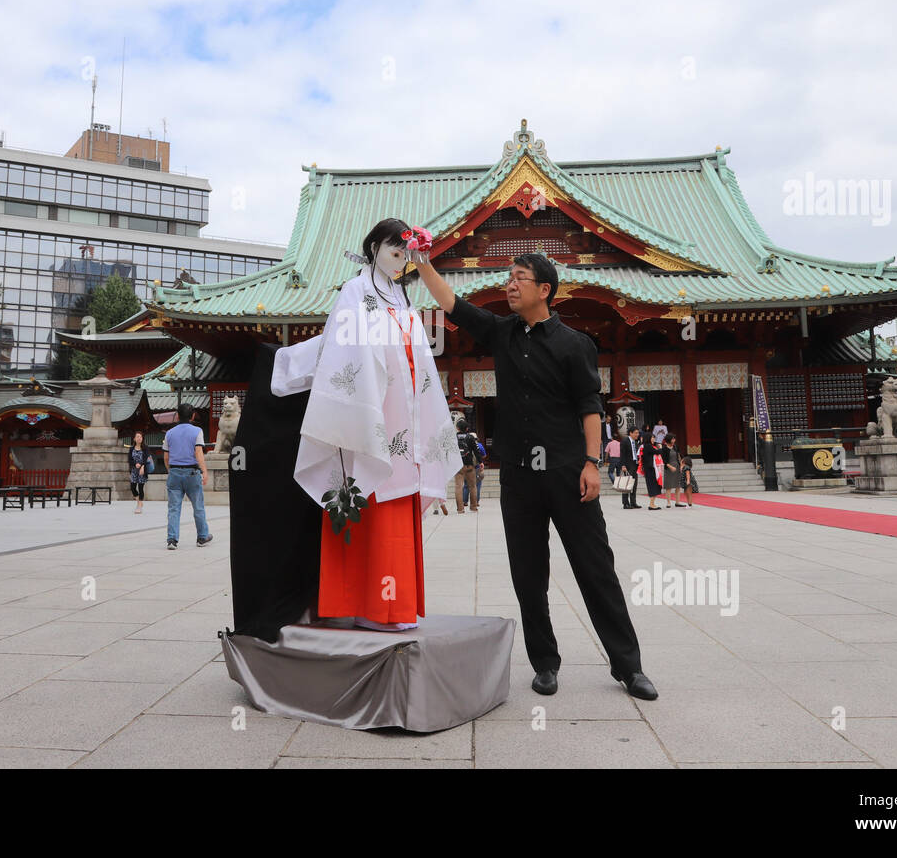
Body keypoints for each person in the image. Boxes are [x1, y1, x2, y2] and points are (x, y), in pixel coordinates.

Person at [415, 248, 656, 701]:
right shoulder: (501, 332)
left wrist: (591, 464)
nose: (510, 284)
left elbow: (590, 408)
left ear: (543, 289)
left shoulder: (575, 343)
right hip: (519, 477)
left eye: (519, 278)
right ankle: (545, 663)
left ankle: (629, 667)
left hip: (568, 473)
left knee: (595, 569)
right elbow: (452, 304)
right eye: (509, 277)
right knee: (528, 574)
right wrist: (421, 262)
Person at [272, 218, 460, 631]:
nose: (400, 259)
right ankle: (370, 606)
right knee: (372, 497)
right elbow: (339, 346)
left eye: (406, 253)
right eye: (395, 249)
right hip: (370, 407)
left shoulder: (400, 295)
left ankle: (395, 606)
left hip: (404, 410)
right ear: (374, 246)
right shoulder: (356, 290)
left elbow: (418, 356)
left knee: (398, 500)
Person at [163, 404, 211, 549]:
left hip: (175, 472)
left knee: (173, 508)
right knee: (198, 506)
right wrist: (204, 471)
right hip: (192, 473)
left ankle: (172, 540)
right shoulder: (197, 431)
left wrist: (170, 470)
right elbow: (198, 452)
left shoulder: (169, 433)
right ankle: (202, 537)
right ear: (193, 416)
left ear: (177, 416)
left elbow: (166, 456)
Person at [455, 418, 480, 513]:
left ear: (457, 428)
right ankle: (473, 507)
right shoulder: (470, 437)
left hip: (458, 465)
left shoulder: (453, 438)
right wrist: (480, 462)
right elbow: (476, 451)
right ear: (467, 428)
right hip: (469, 464)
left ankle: (460, 509)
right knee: (473, 486)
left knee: (458, 487)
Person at [128, 430, 151, 514]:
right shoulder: (131, 449)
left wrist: (142, 466)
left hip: (142, 470)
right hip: (134, 471)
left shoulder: (145, 448)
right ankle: (139, 502)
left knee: (141, 488)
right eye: (137, 437)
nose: (139, 438)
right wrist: (135, 464)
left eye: (140, 437)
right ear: (134, 438)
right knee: (133, 487)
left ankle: (139, 506)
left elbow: (146, 459)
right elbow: (129, 460)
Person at [640, 432, 665, 510]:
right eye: (652, 438)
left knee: (653, 485)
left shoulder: (648, 446)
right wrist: (660, 447)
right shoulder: (648, 446)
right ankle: (651, 504)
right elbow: (658, 452)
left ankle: (652, 503)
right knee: (652, 485)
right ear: (648, 438)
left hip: (650, 468)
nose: (654, 439)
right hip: (650, 469)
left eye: (654, 437)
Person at [621, 427, 642, 510]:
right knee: (626, 484)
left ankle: (633, 502)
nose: (638, 434)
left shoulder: (636, 442)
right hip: (627, 465)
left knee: (634, 484)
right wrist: (623, 465)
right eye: (636, 433)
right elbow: (622, 454)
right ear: (630, 433)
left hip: (635, 465)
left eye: (638, 433)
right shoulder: (625, 441)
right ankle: (625, 503)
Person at [661, 435, 682, 507]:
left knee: (678, 486)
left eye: (674, 439)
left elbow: (679, 456)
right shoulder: (664, 449)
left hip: (677, 467)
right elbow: (663, 461)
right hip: (669, 468)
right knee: (668, 486)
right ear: (668, 440)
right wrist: (670, 467)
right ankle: (668, 503)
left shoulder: (675, 447)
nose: (674, 441)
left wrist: (681, 465)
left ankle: (677, 502)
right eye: (672, 439)